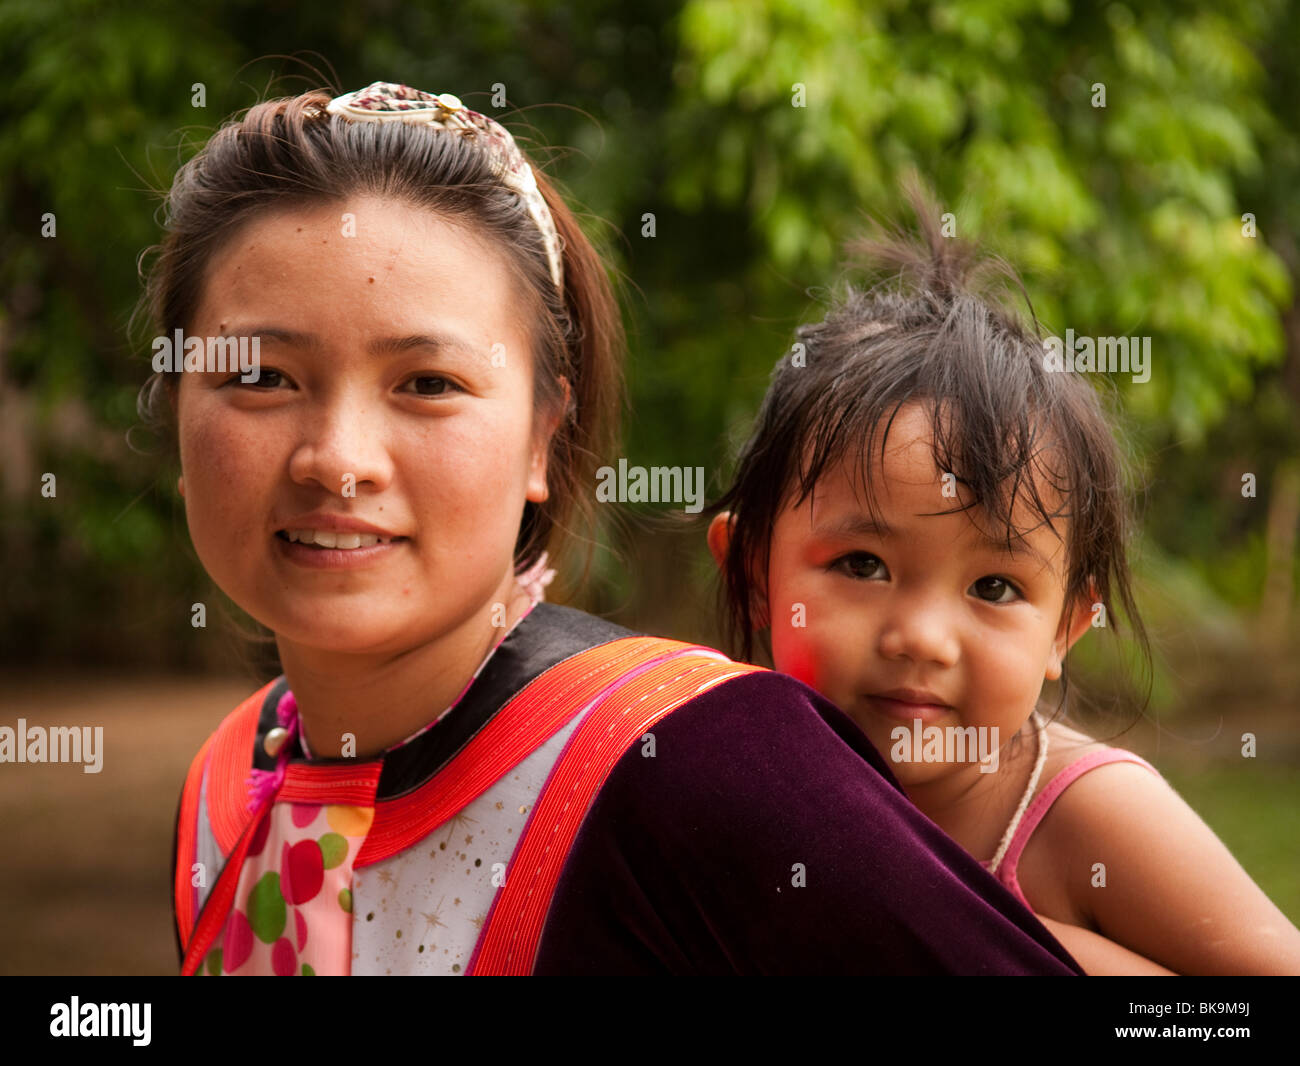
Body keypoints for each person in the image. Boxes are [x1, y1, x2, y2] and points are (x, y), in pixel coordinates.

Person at [148, 81, 1083, 975]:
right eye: (262, 376)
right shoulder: (232, 783)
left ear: (541, 438)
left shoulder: (694, 759)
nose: (337, 458)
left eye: (428, 384)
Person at [705, 185, 1300, 975]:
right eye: (862, 565)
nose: (920, 637)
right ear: (754, 576)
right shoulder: (726, 777)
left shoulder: (1088, 815)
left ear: (1065, 628)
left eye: (993, 588)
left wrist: (1027, 953)